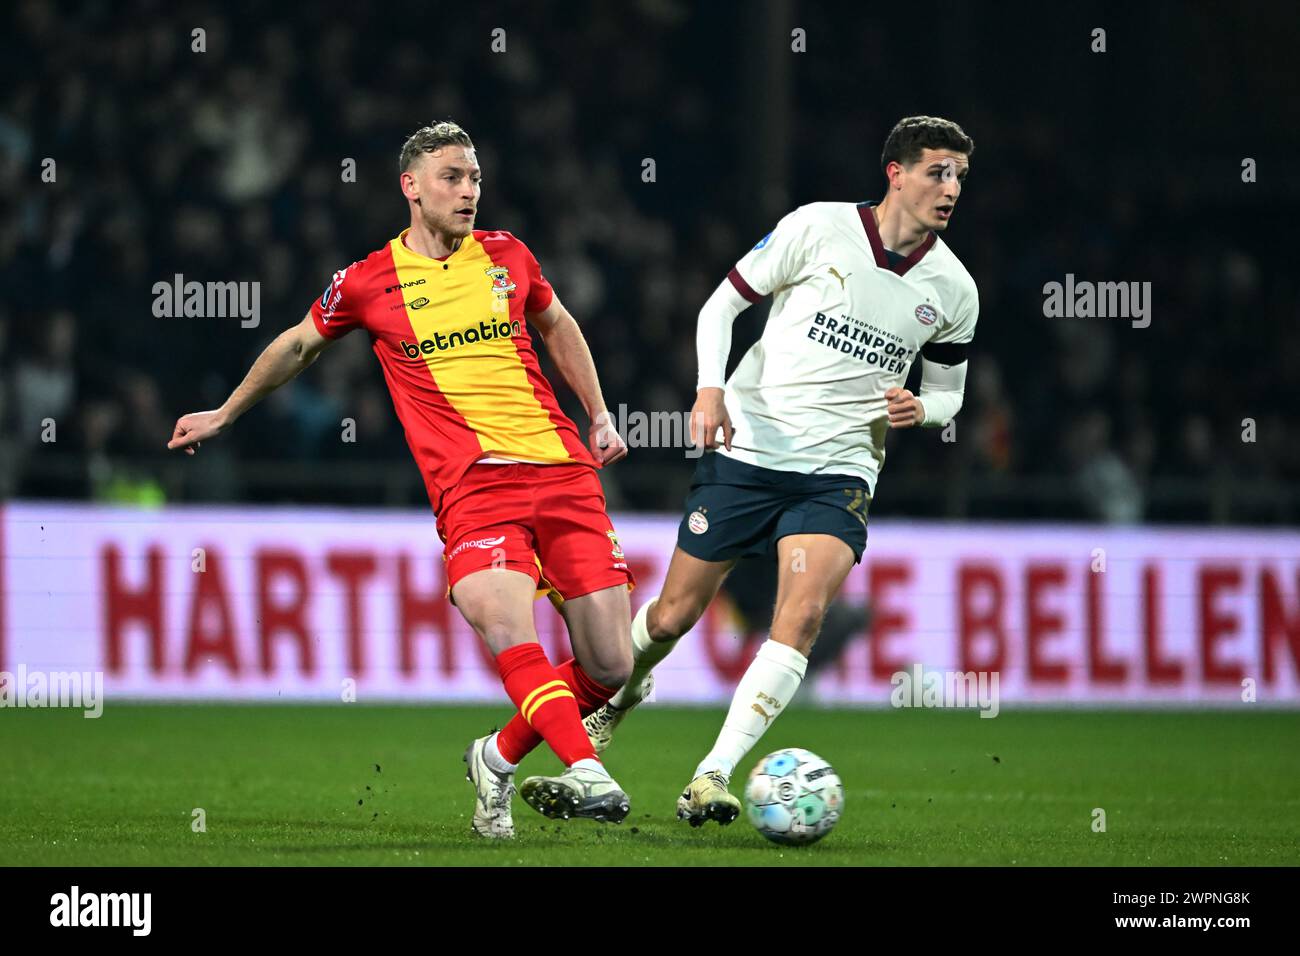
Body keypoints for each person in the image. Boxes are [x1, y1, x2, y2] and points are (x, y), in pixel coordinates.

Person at [167, 122, 635, 839]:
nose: (469, 191)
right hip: (474, 491)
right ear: (410, 186)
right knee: (511, 629)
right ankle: (587, 768)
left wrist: (599, 413)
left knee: (609, 666)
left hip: (564, 471)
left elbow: (558, 323)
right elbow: (297, 343)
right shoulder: (367, 282)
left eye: (475, 177)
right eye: (452, 176)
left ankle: (495, 756)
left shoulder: (508, 255)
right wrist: (228, 412)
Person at [583, 115, 979, 826]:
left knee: (798, 620)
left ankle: (711, 774)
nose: (950, 189)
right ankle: (622, 692)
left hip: (840, 470)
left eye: (958, 176)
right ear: (896, 171)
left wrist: (926, 409)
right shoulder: (817, 227)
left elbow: (950, 393)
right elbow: (723, 303)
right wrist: (709, 389)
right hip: (749, 450)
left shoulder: (954, 289)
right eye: (936, 172)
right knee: (672, 617)